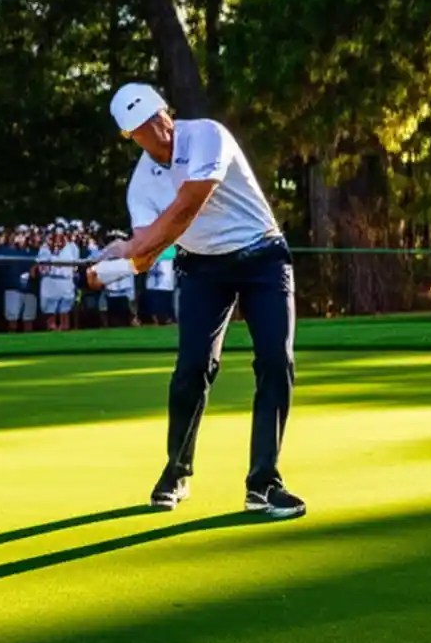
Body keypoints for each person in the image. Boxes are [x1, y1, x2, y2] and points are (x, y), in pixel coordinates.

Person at [93, 82, 304, 518]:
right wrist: (113, 264)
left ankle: (263, 483)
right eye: (142, 128)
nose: (157, 130)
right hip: (202, 268)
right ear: (130, 137)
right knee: (192, 368)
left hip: (262, 256)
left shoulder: (207, 134)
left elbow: (187, 206)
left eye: (157, 117)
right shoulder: (141, 186)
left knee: (275, 362)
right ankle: (176, 471)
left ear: (166, 111)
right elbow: (149, 249)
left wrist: (128, 250)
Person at [36, 224, 79, 331]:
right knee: (50, 308)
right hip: (50, 281)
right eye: (56, 234)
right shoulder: (45, 248)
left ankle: (64, 327)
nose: (58, 237)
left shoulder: (72, 247)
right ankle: (51, 327)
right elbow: (42, 266)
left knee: (65, 306)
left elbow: (75, 264)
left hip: (66, 281)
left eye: (61, 234)